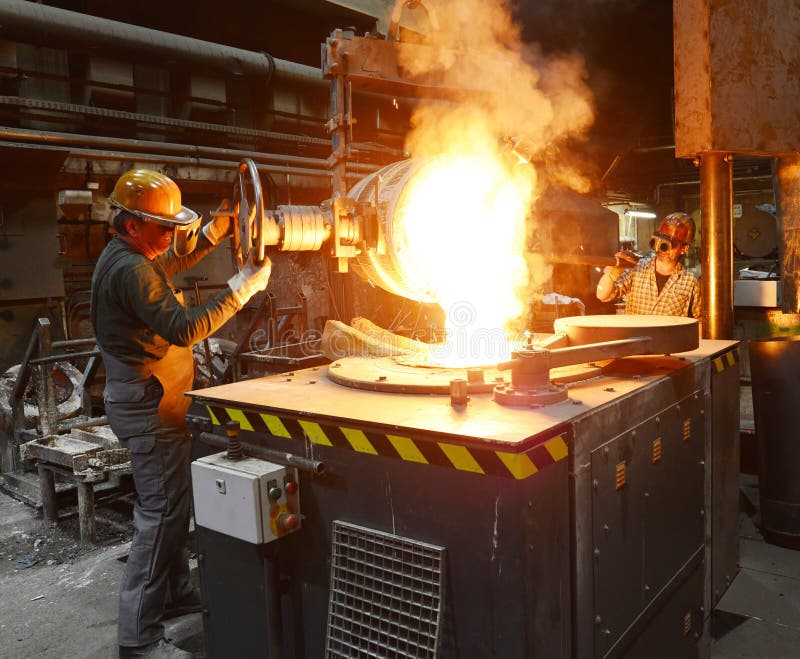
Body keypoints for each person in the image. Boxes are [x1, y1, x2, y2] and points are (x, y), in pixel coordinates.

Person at [91, 169, 271, 659]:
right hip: (150, 408)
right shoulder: (129, 269)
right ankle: (139, 639)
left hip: (147, 402)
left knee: (170, 508)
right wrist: (239, 289)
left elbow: (167, 265)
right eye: (161, 227)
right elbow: (186, 327)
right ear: (131, 225)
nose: (171, 235)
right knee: (162, 515)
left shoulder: (129, 257)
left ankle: (171, 594)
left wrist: (213, 232)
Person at [596, 211, 701, 319]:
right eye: (660, 241)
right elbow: (603, 295)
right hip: (637, 336)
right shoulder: (636, 269)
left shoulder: (691, 282)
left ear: (684, 248)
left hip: (669, 336)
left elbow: (699, 320)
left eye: (668, 245)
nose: (662, 249)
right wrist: (612, 275)